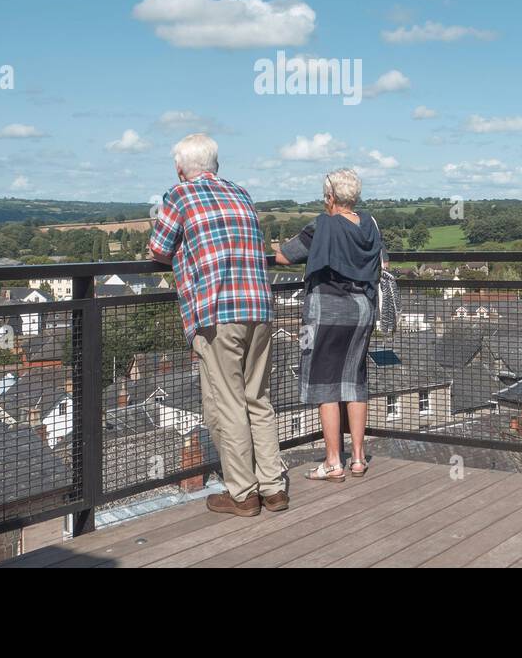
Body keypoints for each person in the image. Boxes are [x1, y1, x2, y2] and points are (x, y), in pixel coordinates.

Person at [148, 133, 287, 516]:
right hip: (259, 307)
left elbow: (159, 249)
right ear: (217, 166)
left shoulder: (178, 196)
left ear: (180, 170)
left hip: (217, 312)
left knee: (229, 404)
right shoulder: (241, 193)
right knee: (258, 399)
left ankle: (243, 494)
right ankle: (274, 488)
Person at [274, 168, 386, 481]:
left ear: (330, 196)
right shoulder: (370, 224)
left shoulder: (322, 225)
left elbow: (285, 257)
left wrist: (270, 249)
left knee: (326, 385)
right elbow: (382, 261)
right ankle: (359, 459)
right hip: (362, 310)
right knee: (354, 381)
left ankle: (334, 461)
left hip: (326, 310)